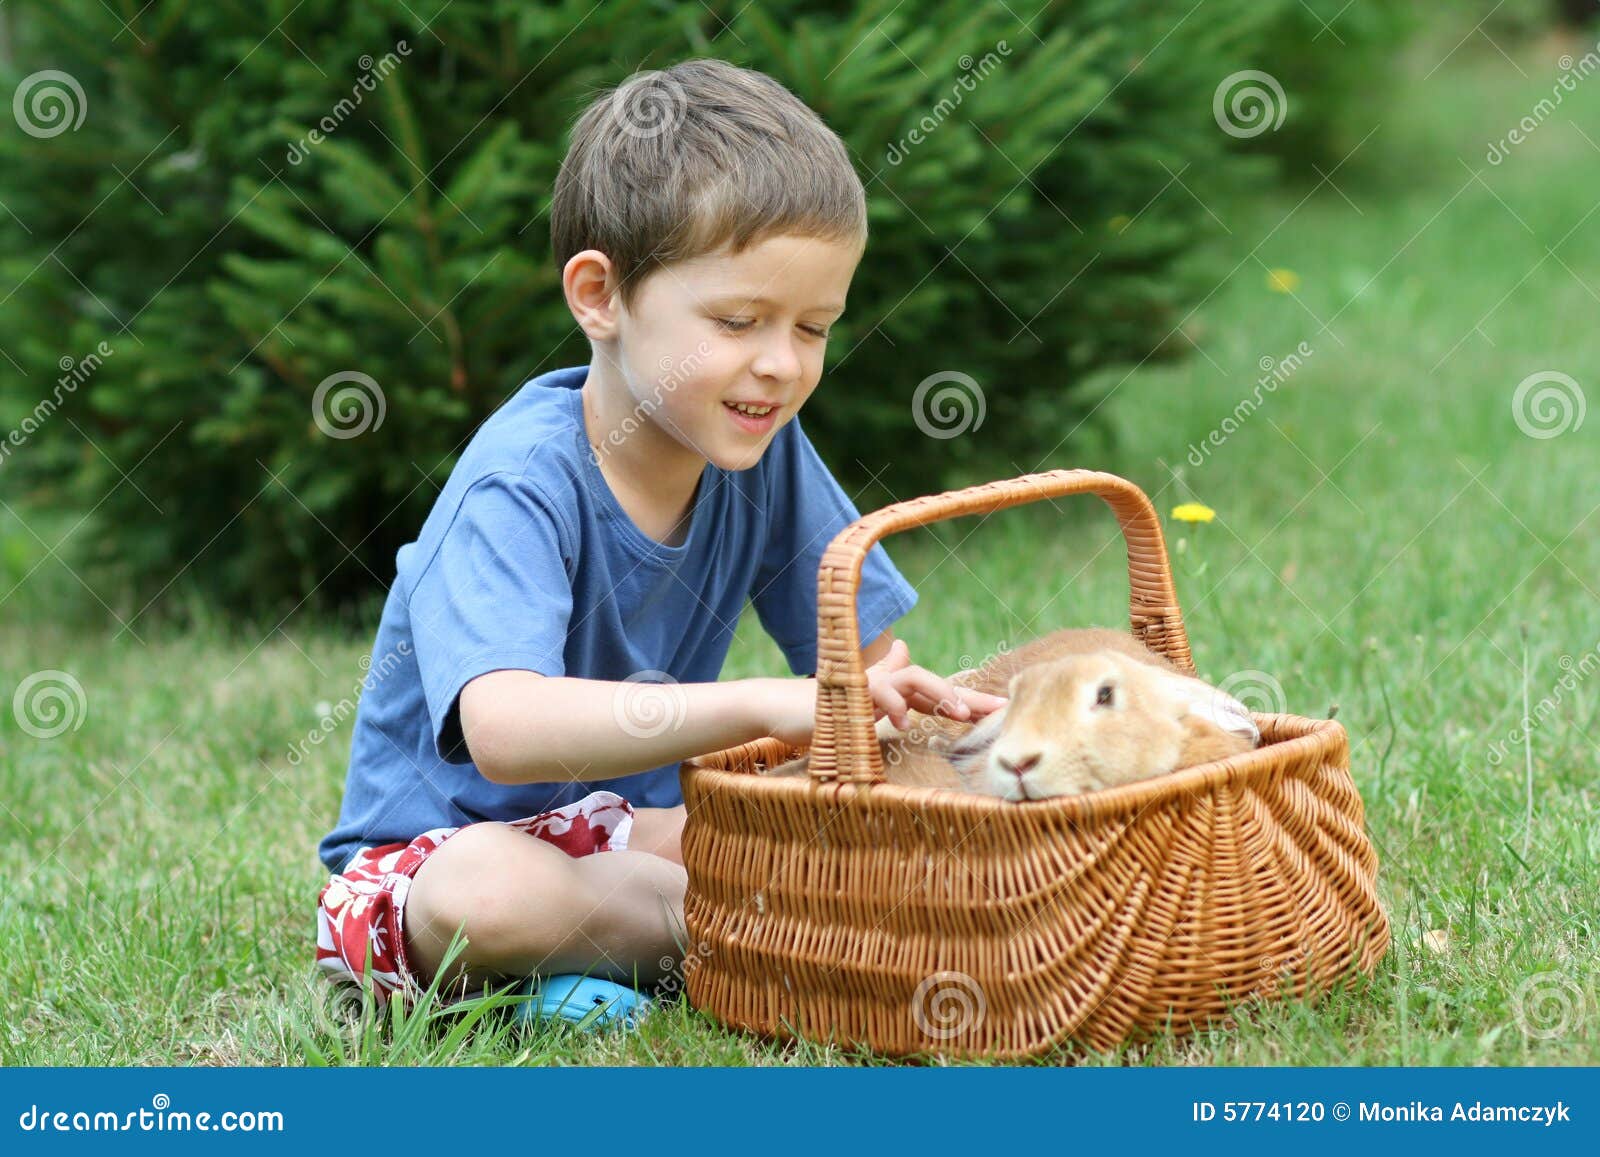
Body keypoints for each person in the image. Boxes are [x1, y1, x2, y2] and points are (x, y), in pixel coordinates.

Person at [313, 57, 1006, 1017]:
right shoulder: (520, 480)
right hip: (428, 868)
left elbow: (868, 669)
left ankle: (669, 938)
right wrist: (764, 703)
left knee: (788, 827)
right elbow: (504, 728)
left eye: (814, 327)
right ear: (600, 295)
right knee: (492, 893)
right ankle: (754, 929)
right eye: (738, 320)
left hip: (627, 833)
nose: (781, 364)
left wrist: (940, 755)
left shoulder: (766, 451)